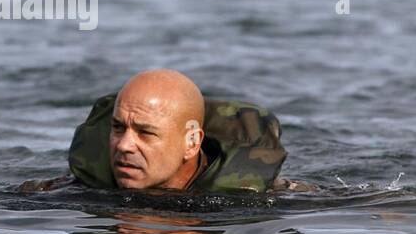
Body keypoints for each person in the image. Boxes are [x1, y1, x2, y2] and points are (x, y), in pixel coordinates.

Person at [23, 68, 310, 194]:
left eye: (145, 133)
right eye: (118, 128)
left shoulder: (265, 197)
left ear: (191, 143)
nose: (124, 145)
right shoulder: (71, 190)